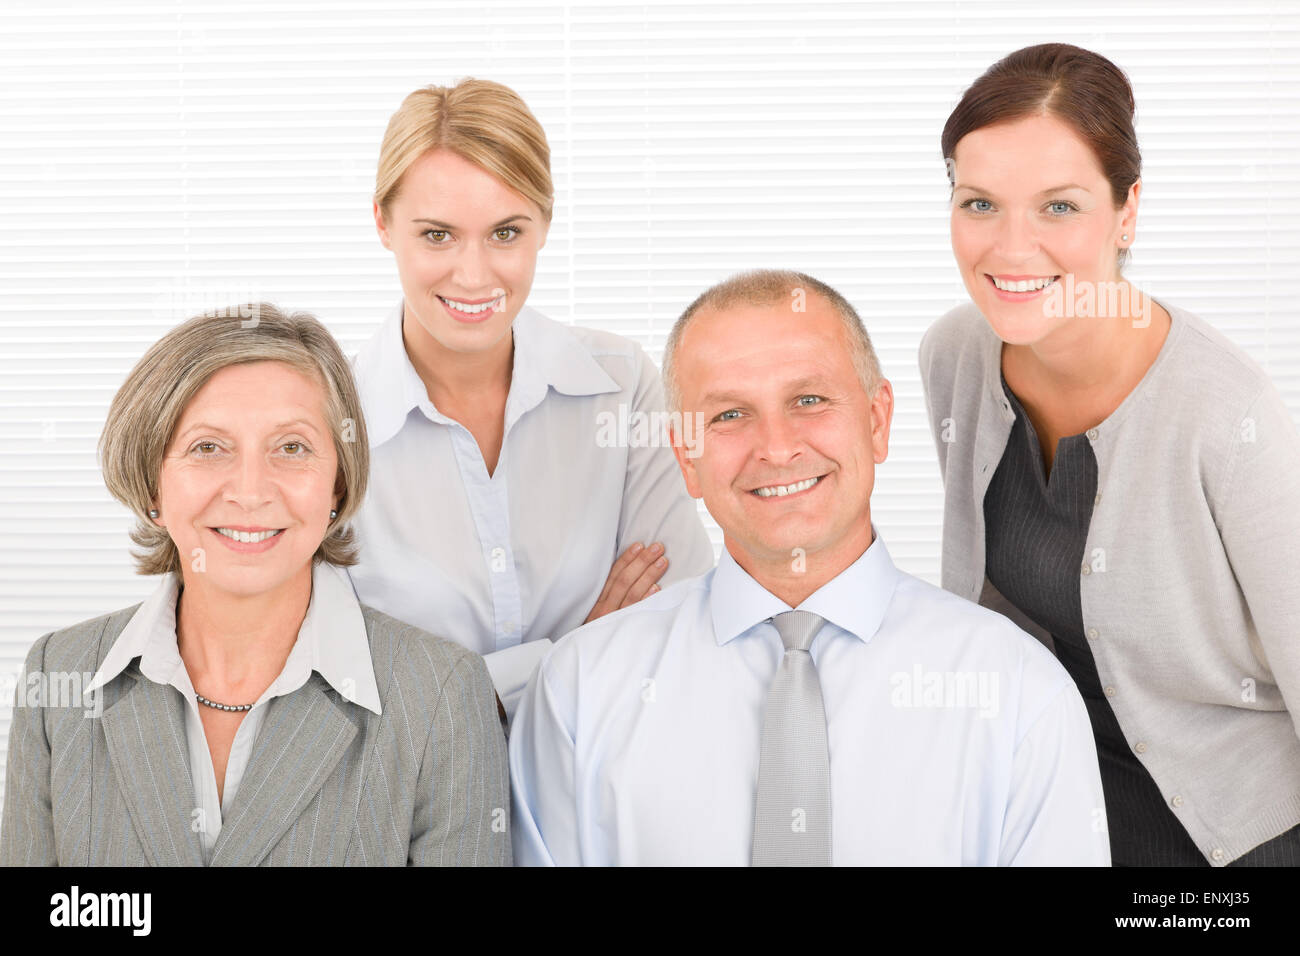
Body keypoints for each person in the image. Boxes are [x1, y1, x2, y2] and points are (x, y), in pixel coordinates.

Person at [509, 269, 1110, 866]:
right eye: (728, 415)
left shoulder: (1019, 692)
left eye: (809, 400)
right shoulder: (579, 693)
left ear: (876, 422)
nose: (776, 446)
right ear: (685, 457)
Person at [920, 42, 1300, 866]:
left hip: (1233, 844)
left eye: (1059, 207)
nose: (1010, 250)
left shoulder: (1225, 413)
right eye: (979, 203)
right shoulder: (953, 357)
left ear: (1127, 212)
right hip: (1055, 814)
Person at [0, 304, 509, 866]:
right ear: (151, 486)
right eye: (207, 447)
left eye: (291, 447)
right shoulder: (59, 675)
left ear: (337, 484)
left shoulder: (440, 693)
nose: (250, 491)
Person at [348, 79, 714, 722]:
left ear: (544, 223)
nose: (473, 273)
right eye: (437, 235)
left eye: (505, 233)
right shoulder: (328, 424)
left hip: (600, 805)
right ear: (382, 223)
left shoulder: (621, 387)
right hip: (407, 820)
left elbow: (674, 633)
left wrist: (468, 695)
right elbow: (347, 703)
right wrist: (577, 654)